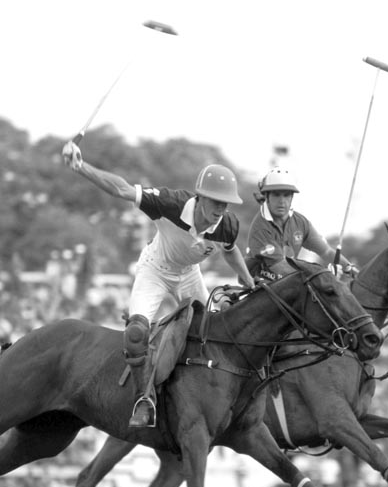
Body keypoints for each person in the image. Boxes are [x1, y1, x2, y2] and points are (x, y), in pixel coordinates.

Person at [62, 140, 255, 427]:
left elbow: (230, 250)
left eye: (225, 204)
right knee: (136, 332)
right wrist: (80, 166)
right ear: (200, 197)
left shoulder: (227, 225)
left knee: (212, 332)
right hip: (155, 270)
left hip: (189, 274)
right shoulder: (170, 204)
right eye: (216, 202)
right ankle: (144, 399)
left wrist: (248, 281)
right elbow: (122, 189)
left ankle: (204, 394)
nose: (220, 209)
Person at [245, 167, 357, 281]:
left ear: (292, 197)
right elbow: (281, 268)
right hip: (259, 284)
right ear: (266, 196)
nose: (282, 201)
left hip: (288, 282)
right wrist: (324, 274)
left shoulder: (300, 222)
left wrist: (349, 268)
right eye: (276, 195)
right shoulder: (260, 228)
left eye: (286, 195)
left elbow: (326, 251)